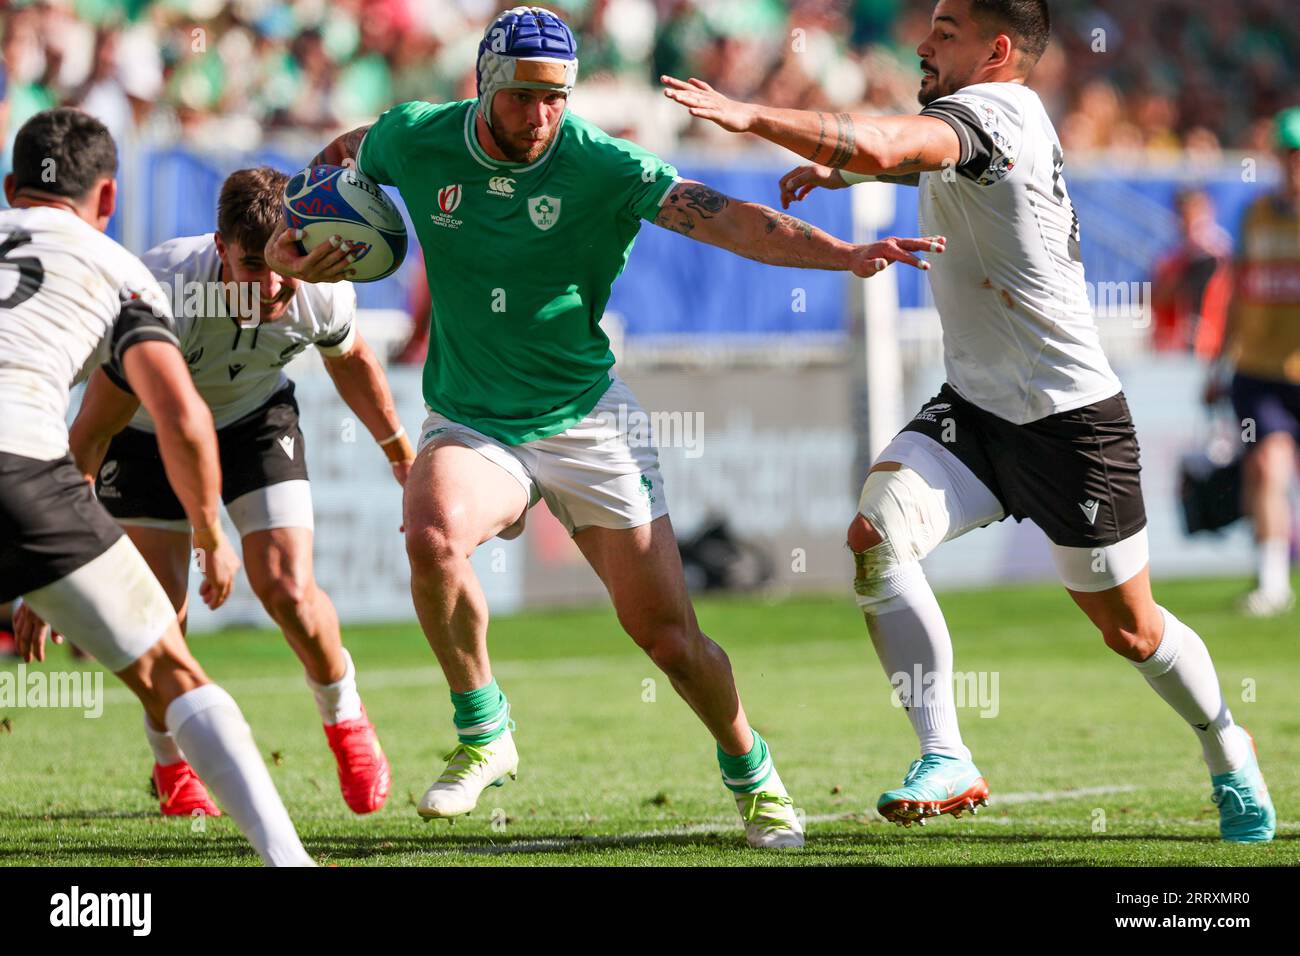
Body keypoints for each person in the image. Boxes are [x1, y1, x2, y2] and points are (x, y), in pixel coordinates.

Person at [266, 5, 943, 848]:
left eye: (556, 97)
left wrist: (841, 256)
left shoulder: (602, 164)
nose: (542, 114)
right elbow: (338, 159)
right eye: (522, 96)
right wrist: (294, 235)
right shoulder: (414, 137)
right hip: (475, 420)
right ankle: (484, 731)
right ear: (484, 83)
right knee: (430, 530)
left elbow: (725, 216)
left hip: (587, 421)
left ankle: (752, 770)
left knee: (668, 640)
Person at [662, 0, 1275, 842]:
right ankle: (945, 751)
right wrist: (849, 175)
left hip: (1071, 425)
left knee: (1132, 631)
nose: (922, 40)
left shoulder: (995, 110)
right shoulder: (983, 123)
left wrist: (753, 115)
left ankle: (1226, 746)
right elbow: (923, 163)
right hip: (977, 410)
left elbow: (890, 143)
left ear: (995, 51)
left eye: (944, 31)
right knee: (876, 536)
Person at [1, 108, 313, 865]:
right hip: (20, 466)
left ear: (11, 189)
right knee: (171, 670)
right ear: (107, 200)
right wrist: (208, 530)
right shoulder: (122, 271)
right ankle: (289, 862)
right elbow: (178, 413)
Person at [59, 166, 402, 817]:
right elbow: (95, 426)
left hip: (254, 420)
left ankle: (347, 720)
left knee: (288, 588)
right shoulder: (159, 290)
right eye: (253, 267)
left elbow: (352, 360)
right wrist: (61, 546)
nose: (273, 288)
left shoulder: (318, 286)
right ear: (220, 248)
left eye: (285, 268)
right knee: (161, 615)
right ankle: (172, 764)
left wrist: (400, 452)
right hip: (144, 431)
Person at [1204, 109, 1300, 617]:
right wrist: (1220, 362)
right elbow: (1238, 292)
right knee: (1266, 468)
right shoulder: (1255, 215)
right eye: (1289, 156)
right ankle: (1272, 581)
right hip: (1260, 370)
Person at [1151, 188, 1231, 359]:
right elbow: (1154, 300)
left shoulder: (1223, 257)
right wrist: (1185, 264)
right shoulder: (1171, 260)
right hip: (1174, 353)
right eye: (1185, 215)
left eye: (1197, 214)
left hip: (1213, 350)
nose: (1193, 222)